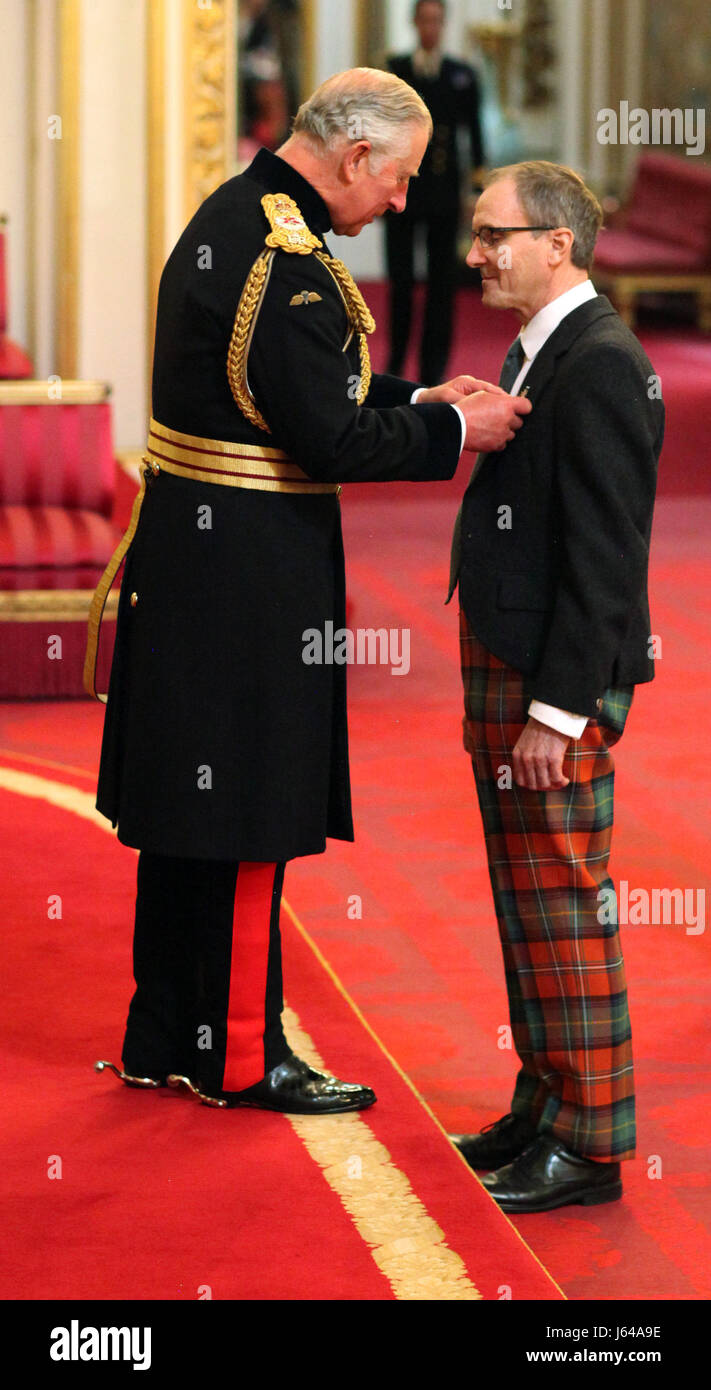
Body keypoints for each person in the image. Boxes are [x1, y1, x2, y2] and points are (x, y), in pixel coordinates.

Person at [87, 69, 531, 1116]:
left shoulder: (241, 216)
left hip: (201, 561)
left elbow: (296, 387)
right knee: (250, 809)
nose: (402, 202)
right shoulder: (285, 259)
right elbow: (325, 433)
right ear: (356, 157)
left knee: (185, 813)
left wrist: (416, 394)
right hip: (248, 578)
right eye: (402, 178)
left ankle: (165, 1034)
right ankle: (240, 1054)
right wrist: (457, 431)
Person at [448, 161, 663, 1211]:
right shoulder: (545, 349)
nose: (476, 253)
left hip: (550, 686)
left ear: (558, 244)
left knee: (567, 906)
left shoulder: (604, 364)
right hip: (514, 664)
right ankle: (545, 1101)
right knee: (526, 904)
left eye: (494, 236)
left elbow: (609, 559)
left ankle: (589, 1144)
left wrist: (556, 710)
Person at [385, 0, 484, 384]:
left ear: (443, 25)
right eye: (424, 20)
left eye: (436, 21)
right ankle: (394, 363)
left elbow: (473, 134)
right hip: (402, 189)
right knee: (401, 281)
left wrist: (476, 188)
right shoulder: (397, 71)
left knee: (441, 285)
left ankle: (433, 369)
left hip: (443, 192)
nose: (430, 27)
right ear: (414, 23)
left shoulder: (462, 75)